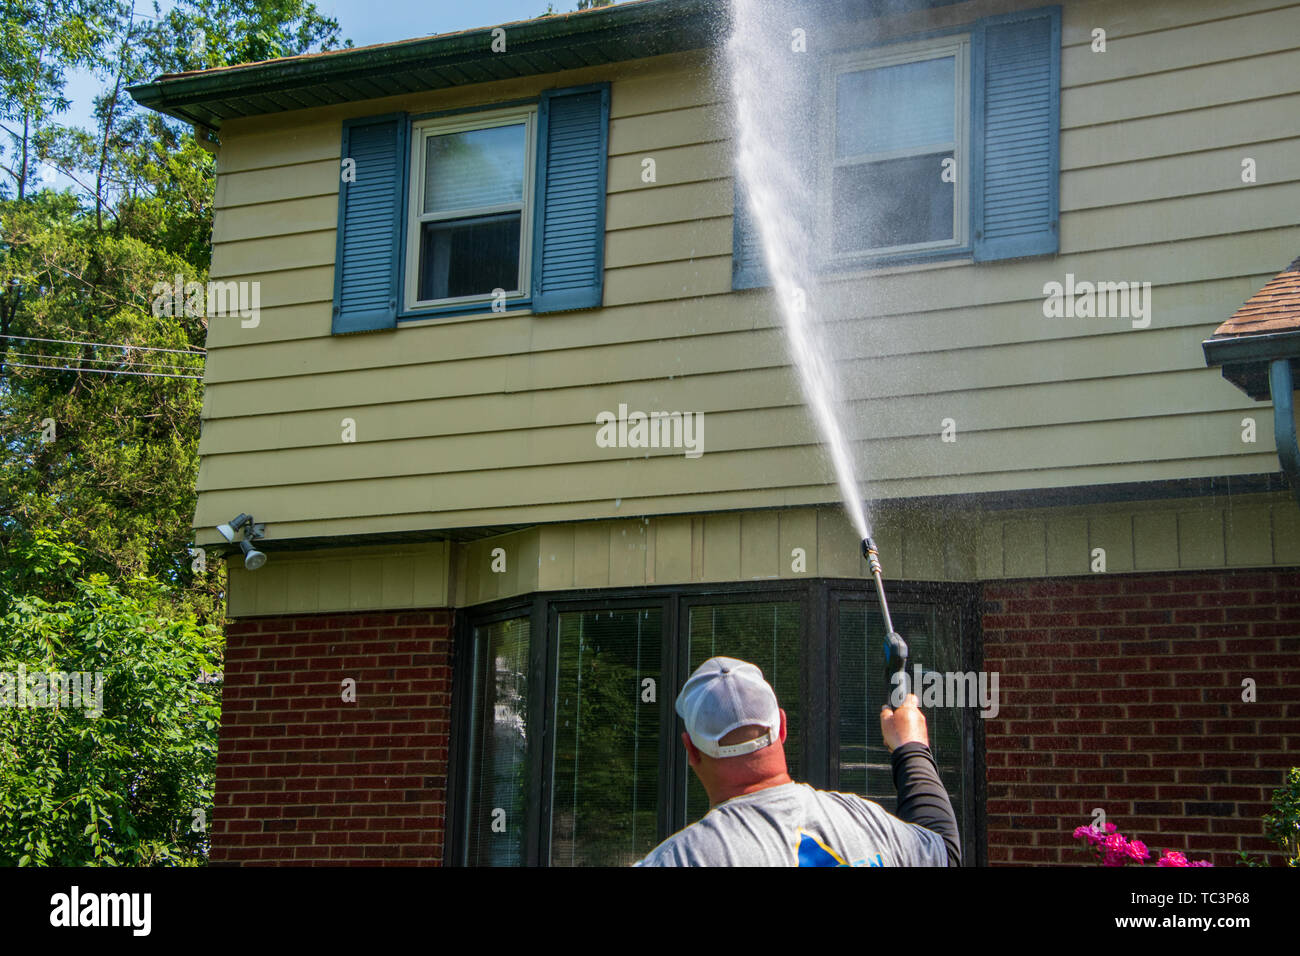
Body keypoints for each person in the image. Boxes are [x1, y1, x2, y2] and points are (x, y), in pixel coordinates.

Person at [634, 656, 961, 867]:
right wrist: (912, 747)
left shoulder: (681, 859)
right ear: (782, 726)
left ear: (691, 751)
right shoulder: (866, 820)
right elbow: (944, 852)